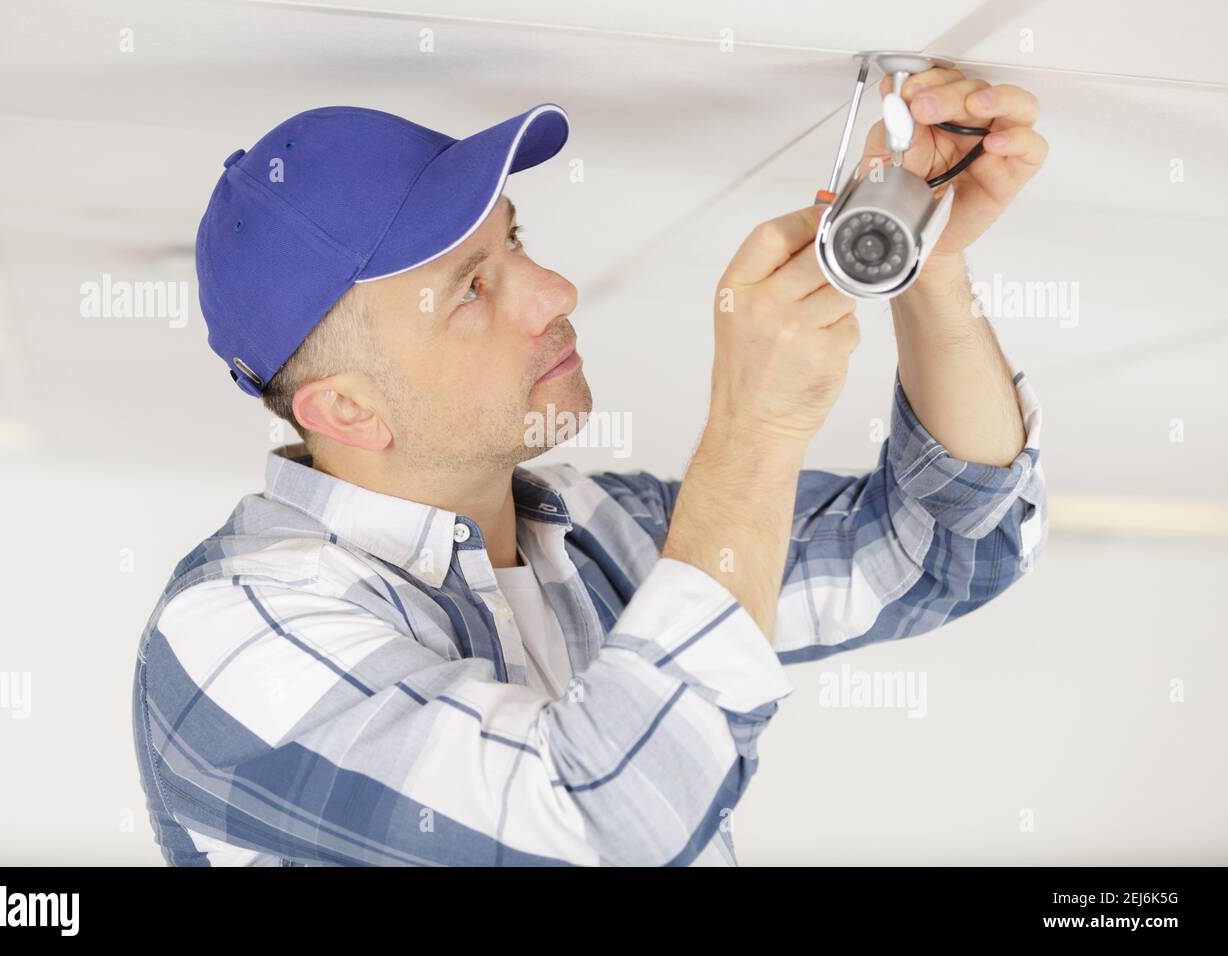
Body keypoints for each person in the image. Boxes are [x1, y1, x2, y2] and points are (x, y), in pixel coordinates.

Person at [132, 68, 1049, 866]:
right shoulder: (236, 634)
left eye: (515, 242)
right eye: (471, 290)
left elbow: (947, 549)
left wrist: (922, 256)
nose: (555, 291)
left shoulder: (590, 527)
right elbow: (613, 829)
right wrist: (752, 430)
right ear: (347, 411)